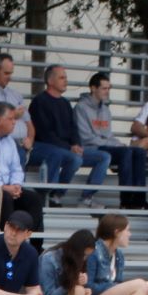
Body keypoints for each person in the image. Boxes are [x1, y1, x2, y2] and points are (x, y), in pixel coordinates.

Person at [29, 64, 106, 203]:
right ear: (50, 81)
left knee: (103, 157)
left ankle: (87, 196)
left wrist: (76, 144)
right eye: (62, 78)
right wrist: (70, 148)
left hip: (68, 148)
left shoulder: (65, 103)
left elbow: (73, 128)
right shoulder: (40, 102)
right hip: (47, 148)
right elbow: (45, 134)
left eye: (66, 78)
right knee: (74, 159)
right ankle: (55, 195)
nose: (66, 81)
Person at [75, 72, 148, 208]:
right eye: (104, 88)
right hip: (90, 148)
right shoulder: (81, 108)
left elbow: (108, 135)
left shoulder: (105, 110)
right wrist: (114, 145)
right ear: (93, 88)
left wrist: (118, 144)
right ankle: (126, 201)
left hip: (105, 146)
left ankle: (140, 199)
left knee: (138, 152)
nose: (107, 92)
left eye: (109, 88)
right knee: (125, 153)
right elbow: (86, 137)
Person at [0, 101, 44, 233]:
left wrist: (16, 185)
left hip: (9, 189)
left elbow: (16, 168)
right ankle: (6, 242)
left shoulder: (10, 141)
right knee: (6, 197)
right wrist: (4, 187)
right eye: (11, 119)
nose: (14, 122)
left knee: (34, 199)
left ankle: (35, 246)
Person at [36, 229, 103, 295]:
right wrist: (72, 284)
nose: (84, 259)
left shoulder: (77, 260)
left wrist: (85, 292)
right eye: (84, 255)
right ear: (77, 250)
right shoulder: (49, 259)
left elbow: (74, 291)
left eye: (87, 256)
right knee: (78, 290)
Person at [0, 53, 32, 147]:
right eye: (6, 73)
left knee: (60, 156)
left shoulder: (15, 94)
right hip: (3, 144)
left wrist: (30, 141)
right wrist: (14, 115)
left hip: (25, 145)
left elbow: (29, 123)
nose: (10, 77)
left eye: (11, 73)